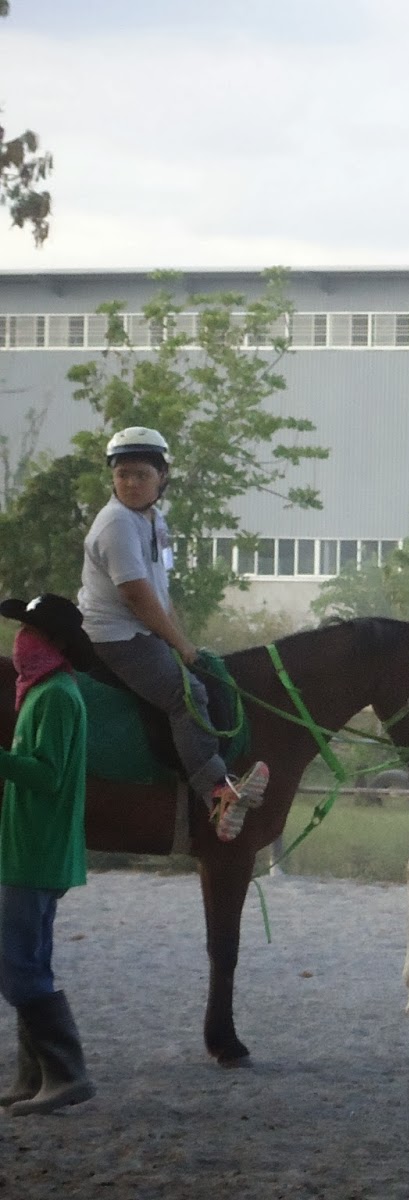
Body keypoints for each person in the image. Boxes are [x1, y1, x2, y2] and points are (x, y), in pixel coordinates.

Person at [78, 426, 268, 841]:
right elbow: (137, 597)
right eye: (122, 474)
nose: (130, 482)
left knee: (208, 672)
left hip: (141, 630)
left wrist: (183, 640)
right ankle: (217, 796)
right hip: (116, 635)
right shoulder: (116, 524)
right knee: (189, 698)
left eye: (141, 474)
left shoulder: (153, 521)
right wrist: (179, 644)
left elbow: (161, 589)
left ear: (162, 477)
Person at [0, 593, 95, 1116]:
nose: (20, 641)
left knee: (16, 966)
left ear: (52, 643)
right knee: (28, 961)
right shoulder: (42, 692)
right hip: (29, 849)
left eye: (29, 632)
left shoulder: (55, 696)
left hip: (36, 853)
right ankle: (33, 1075)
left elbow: (46, 774)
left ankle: (65, 1073)